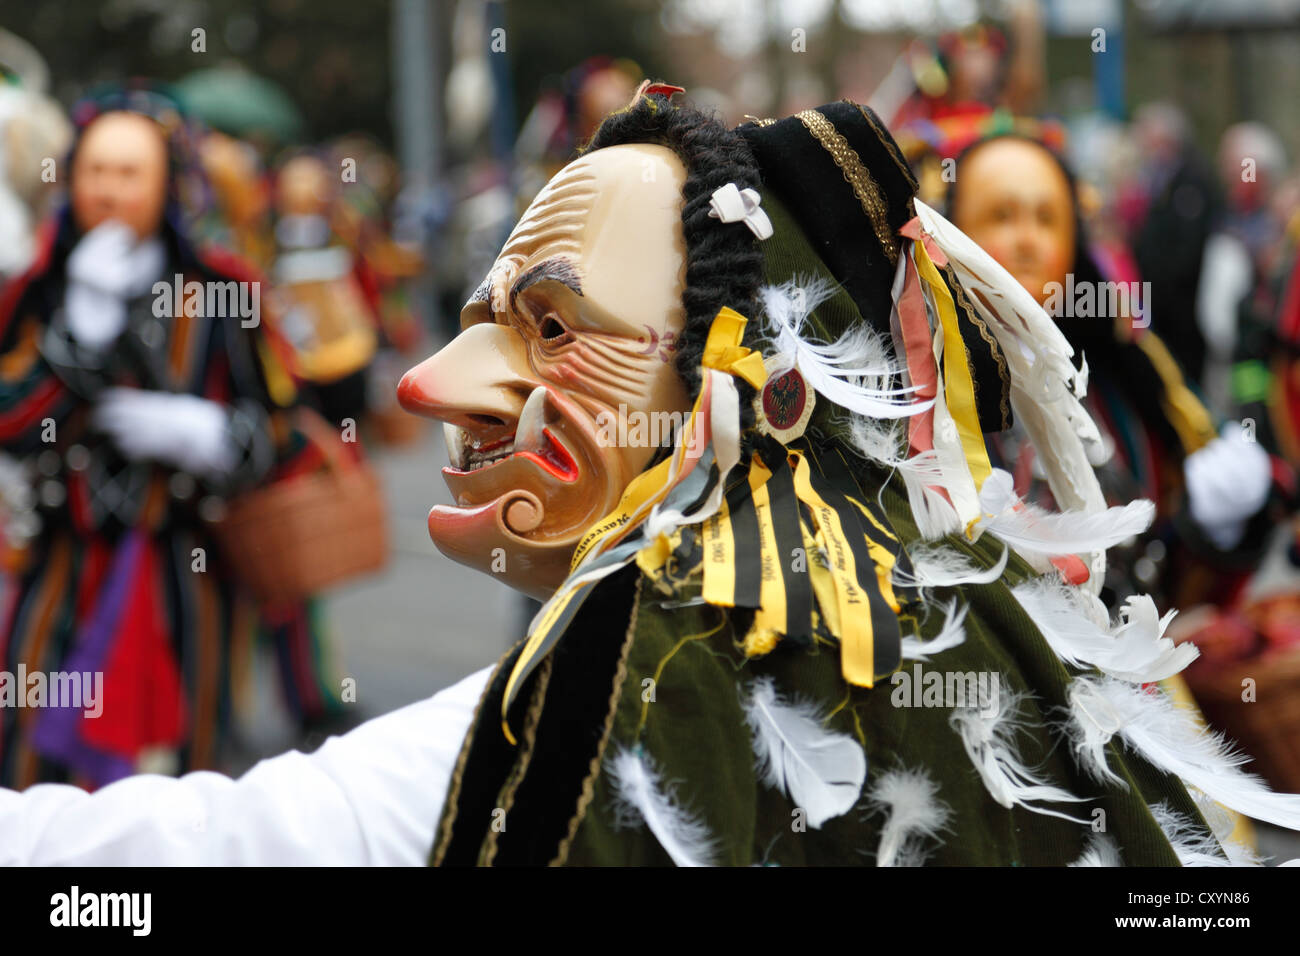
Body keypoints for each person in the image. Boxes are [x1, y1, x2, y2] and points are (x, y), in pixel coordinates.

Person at [5, 90, 1300, 865]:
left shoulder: (645, 662)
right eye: (484, 320)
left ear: (736, 386)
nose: (435, 383)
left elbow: (270, 842)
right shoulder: (827, 596)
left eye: (551, 330)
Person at [0, 90, 304, 789]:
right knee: (35, 770)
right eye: (95, 170)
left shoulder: (224, 288)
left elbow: (282, 435)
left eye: (130, 172)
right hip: (58, 563)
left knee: (177, 778)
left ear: (168, 182)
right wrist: (78, 334)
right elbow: (9, 421)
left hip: (187, 570)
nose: (108, 189)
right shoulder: (36, 290)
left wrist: (213, 436)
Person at [949, 133, 1279, 613]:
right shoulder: (925, 385)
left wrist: (1218, 524)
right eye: (1001, 216)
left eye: (1046, 219)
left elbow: (1167, 567)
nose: (1026, 240)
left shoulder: (1115, 379)